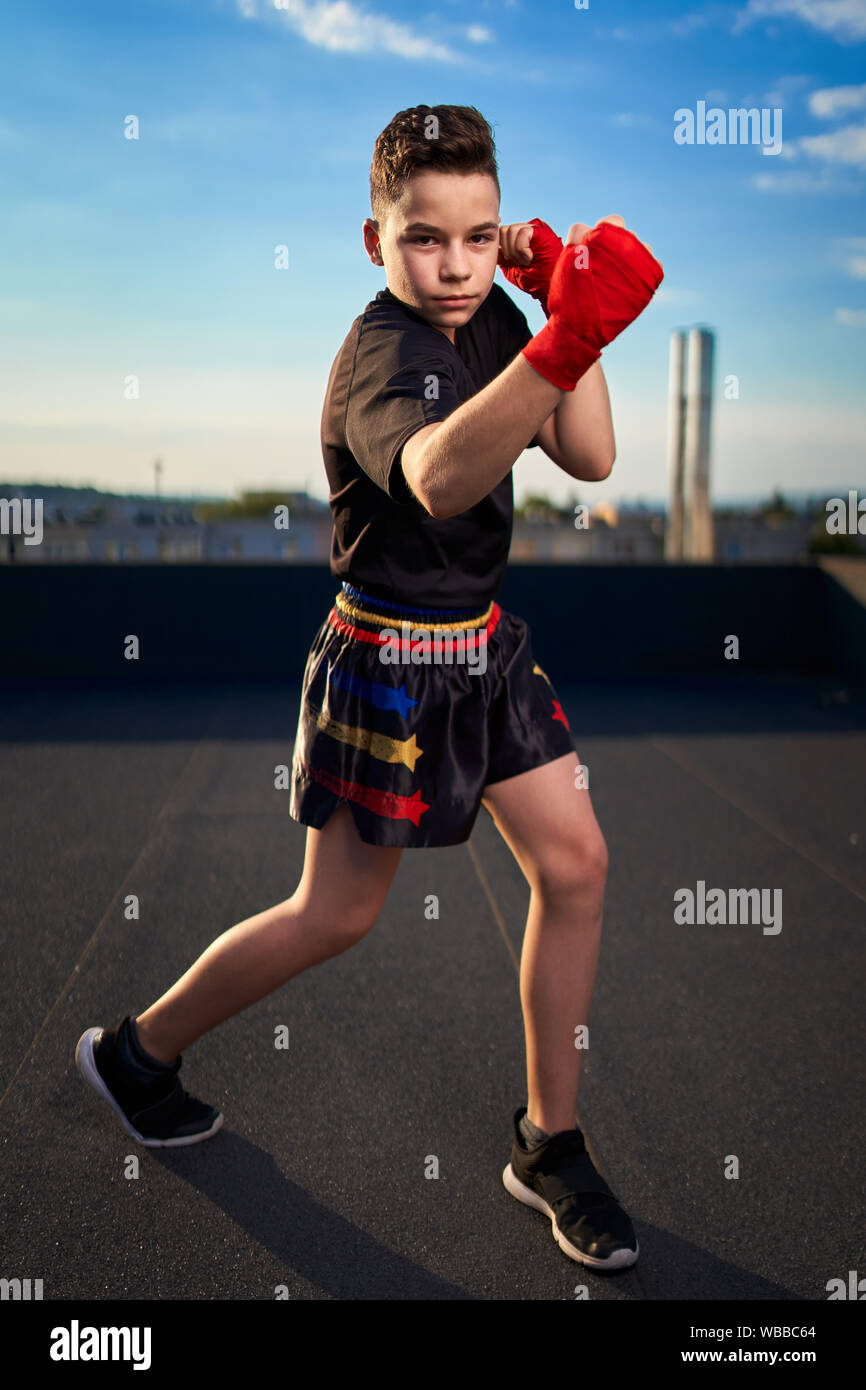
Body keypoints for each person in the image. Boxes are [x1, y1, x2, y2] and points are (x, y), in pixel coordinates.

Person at [75, 104, 662, 1273]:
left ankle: (549, 1141)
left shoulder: (499, 311)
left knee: (578, 862)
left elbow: (589, 457)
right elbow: (442, 478)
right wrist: (553, 348)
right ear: (372, 240)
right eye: (424, 239)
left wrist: (564, 317)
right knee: (336, 915)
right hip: (388, 660)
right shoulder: (377, 360)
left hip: (484, 649)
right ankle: (136, 1054)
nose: (454, 267)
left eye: (481, 237)